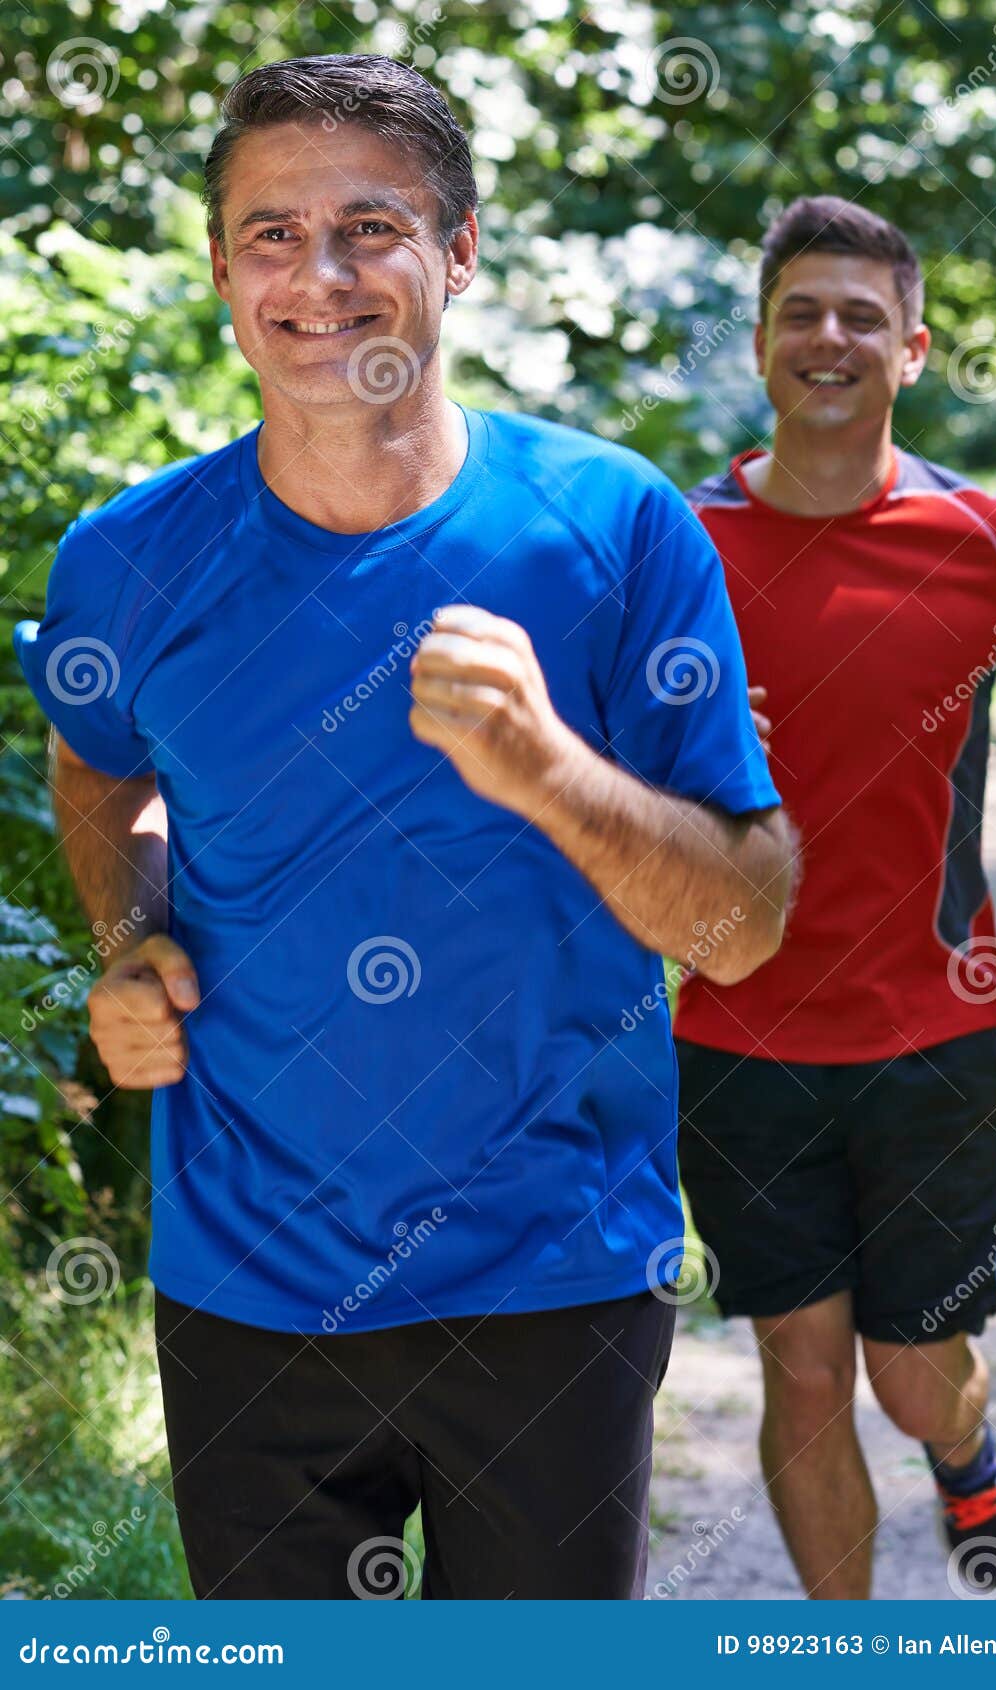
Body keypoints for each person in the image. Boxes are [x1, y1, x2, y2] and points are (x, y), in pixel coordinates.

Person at [13, 54, 793, 1601]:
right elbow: (96, 769)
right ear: (222, 265)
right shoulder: (129, 558)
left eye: (371, 226)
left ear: (459, 252)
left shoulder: (617, 525)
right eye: (271, 234)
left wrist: (555, 772)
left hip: (554, 1270)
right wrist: (130, 936)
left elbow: (743, 922)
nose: (319, 277)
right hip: (245, 1280)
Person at [674, 194, 996, 1600]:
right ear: (765, 342)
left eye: (860, 315)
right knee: (803, 1366)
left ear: (908, 349)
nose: (828, 336)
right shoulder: (676, 546)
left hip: (929, 1038)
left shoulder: (995, 541)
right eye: (801, 310)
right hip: (730, 1039)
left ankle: (965, 1456)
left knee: (912, 1377)